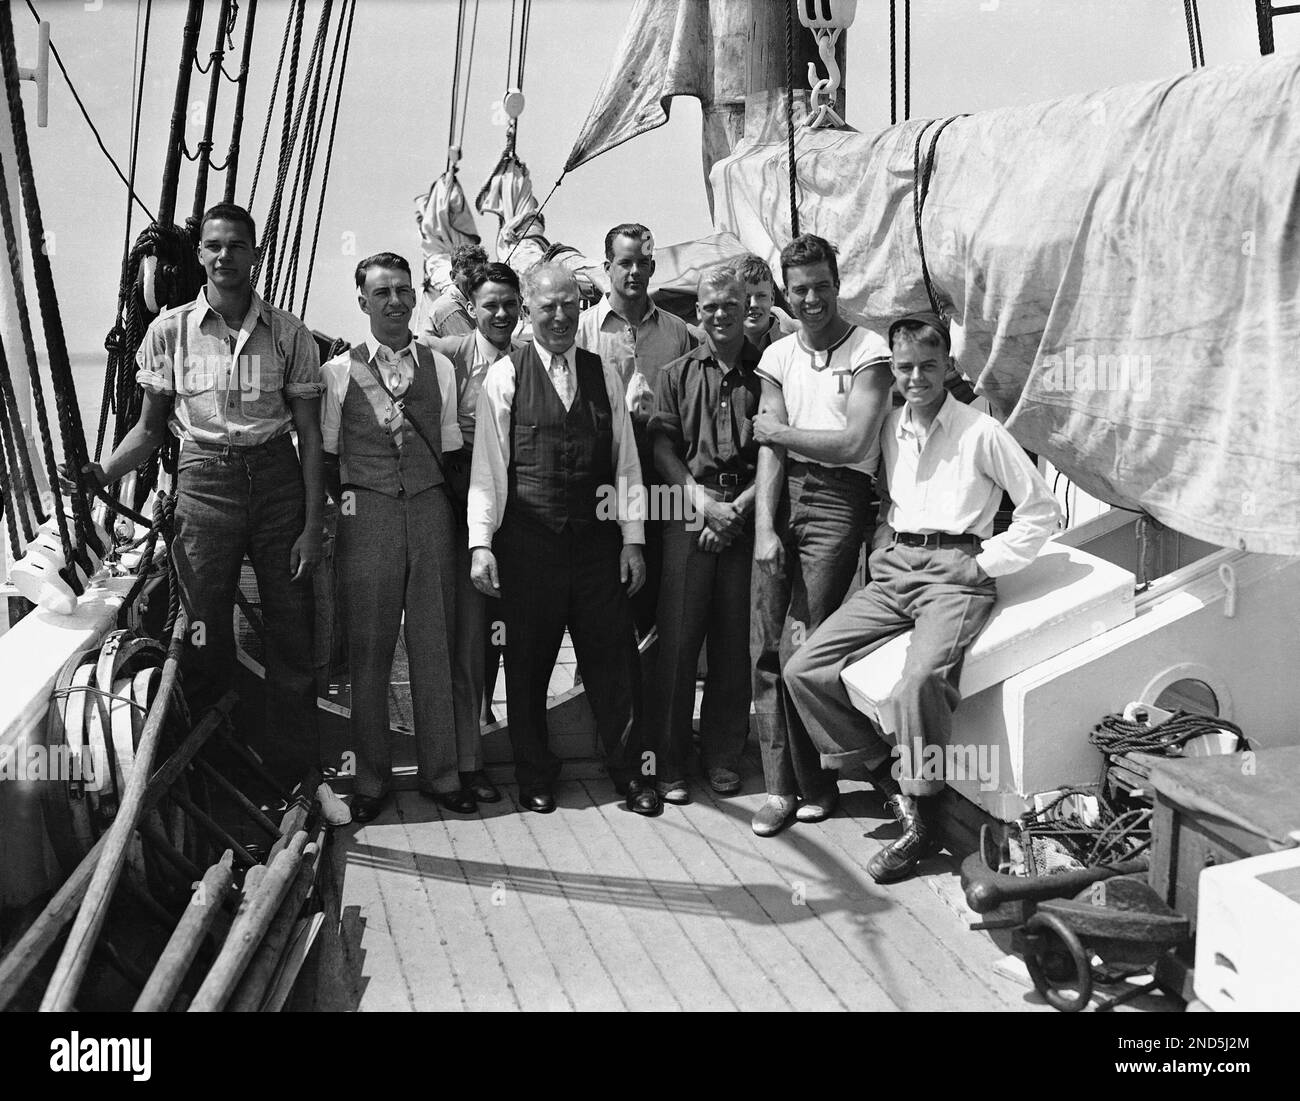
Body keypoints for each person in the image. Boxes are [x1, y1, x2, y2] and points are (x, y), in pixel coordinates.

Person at [86, 203, 350, 826]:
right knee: (201, 634)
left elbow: (310, 439)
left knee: (292, 633)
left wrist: (314, 525)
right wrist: (102, 473)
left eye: (237, 246)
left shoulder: (290, 336)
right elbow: (151, 433)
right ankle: (215, 778)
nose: (225, 256)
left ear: (254, 254)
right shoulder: (168, 333)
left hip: (279, 483)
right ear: (200, 255)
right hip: (203, 484)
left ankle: (302, 782)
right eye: (214, 246)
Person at [783, 311, 1061, 882]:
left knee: (921, 682)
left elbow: (1041, 511)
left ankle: (924, 818)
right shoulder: (889, 426)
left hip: (956, 569)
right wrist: (887, 545)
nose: (916, 378)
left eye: (927, 367)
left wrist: (984, 561)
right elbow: (882, 492)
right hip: (897, 567)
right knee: (805, 667)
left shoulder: (981, 431)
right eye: (904, 367)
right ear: (893, 369)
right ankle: (888, 774)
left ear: (947, 366)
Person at [468, 263, 660, 817]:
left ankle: (631, 773)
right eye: (548, 306)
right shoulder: (504, 377)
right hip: (529, 547)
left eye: (569, 306)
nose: (559, 316)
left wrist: (633, 540)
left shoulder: (606, 374)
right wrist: (482, 543)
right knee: (526, 664)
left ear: (581, 310)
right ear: (527, 310)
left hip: (598, 549)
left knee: (615, 662)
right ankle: (535, 774)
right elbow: (489, 468)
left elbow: (626, 462)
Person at [747, 234, 894, 837]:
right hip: (782, 499)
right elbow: (769, 455)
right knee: (765, 651)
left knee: (802, 647)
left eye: (822, 286)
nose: (811, 299)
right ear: (787, 289)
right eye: (800, 288)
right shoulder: (779, 355)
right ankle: (782, 788)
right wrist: (763, 529)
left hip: (838, 501)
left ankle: (826, 780)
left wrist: (779, 432)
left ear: (839, 284)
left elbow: (855, 442)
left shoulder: (870, 349)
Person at [320, 252, 470, 823]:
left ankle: (443, 774)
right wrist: (362, 501)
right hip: (368, 518)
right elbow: (328, 457)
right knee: (369, 651)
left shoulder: (441, 367)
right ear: (362, 302)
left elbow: (452, 448)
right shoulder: (338, 373)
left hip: (431, 511)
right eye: (382, 292)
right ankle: (372, 779)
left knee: (435, 645)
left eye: (404, 290)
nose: (395, 301)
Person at [648, 267, 761, 804]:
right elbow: (662, 446)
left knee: (733, 645)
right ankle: (669, 763)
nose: (720, 314)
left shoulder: (769, 372)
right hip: (688, 509)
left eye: (730, 305)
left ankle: (722, 756)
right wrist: (700, 502)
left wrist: (735, 509)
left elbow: (776, 452)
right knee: (677, 640)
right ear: (698, 312)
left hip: (747, 510)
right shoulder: (675, 374)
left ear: (746, 308)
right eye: (710, 305)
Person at [426, 261, 529, 805]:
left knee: (519, 629)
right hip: (468, 494)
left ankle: (527, 746)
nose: (501, 313)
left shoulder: (531, 358)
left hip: (523, 499)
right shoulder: (455, 354)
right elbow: (407, 349)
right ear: (471, 307)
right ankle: (470, 758)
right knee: (472, 635)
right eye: (490, 304)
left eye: (510, 303)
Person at [576, 222, 695, 634]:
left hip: (659, 477)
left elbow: (686, 410)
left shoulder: (677, 332)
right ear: (607, 267)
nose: (635, 273)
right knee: (602, 603)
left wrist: (657, 415)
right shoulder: (583, 330)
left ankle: (646, 694)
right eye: (625, 263)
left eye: (643, 263)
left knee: (654, 598)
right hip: (603, 480)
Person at [421, 242, 488, 340]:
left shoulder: (471, 303)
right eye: (469, 273)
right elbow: (470, 351)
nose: (476, 279)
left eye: (480, 273)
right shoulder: (448, 308)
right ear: (453, 277)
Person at [736, 253, 796, 354]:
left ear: (772, 298)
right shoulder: (722, 350)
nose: (753, 304)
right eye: (745, 297)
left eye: (761, 296)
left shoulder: (793, 346)